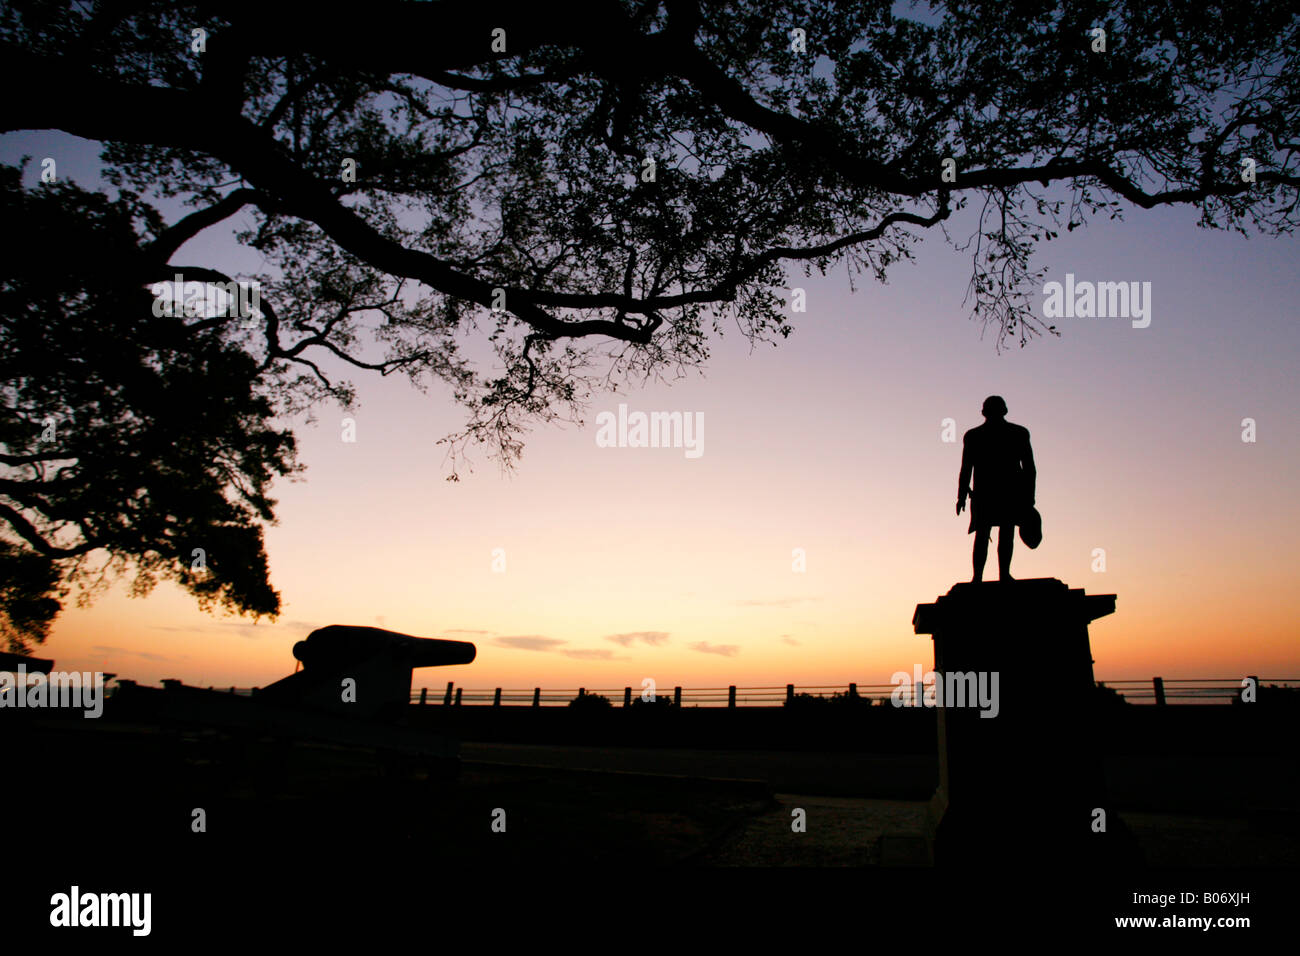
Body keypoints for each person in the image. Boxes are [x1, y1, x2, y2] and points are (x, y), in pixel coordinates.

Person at [956, 396, 1035, 582]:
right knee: (992, 534)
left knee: (992, 535)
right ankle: (989, 576)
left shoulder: (1015, 433)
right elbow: (966, 467)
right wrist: (961, 495)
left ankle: (988, 576)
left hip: (1001, 493)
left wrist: (1029, 496)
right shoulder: (1015, 433)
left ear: (984, 412)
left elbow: (1029, 468)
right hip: (993, 493)